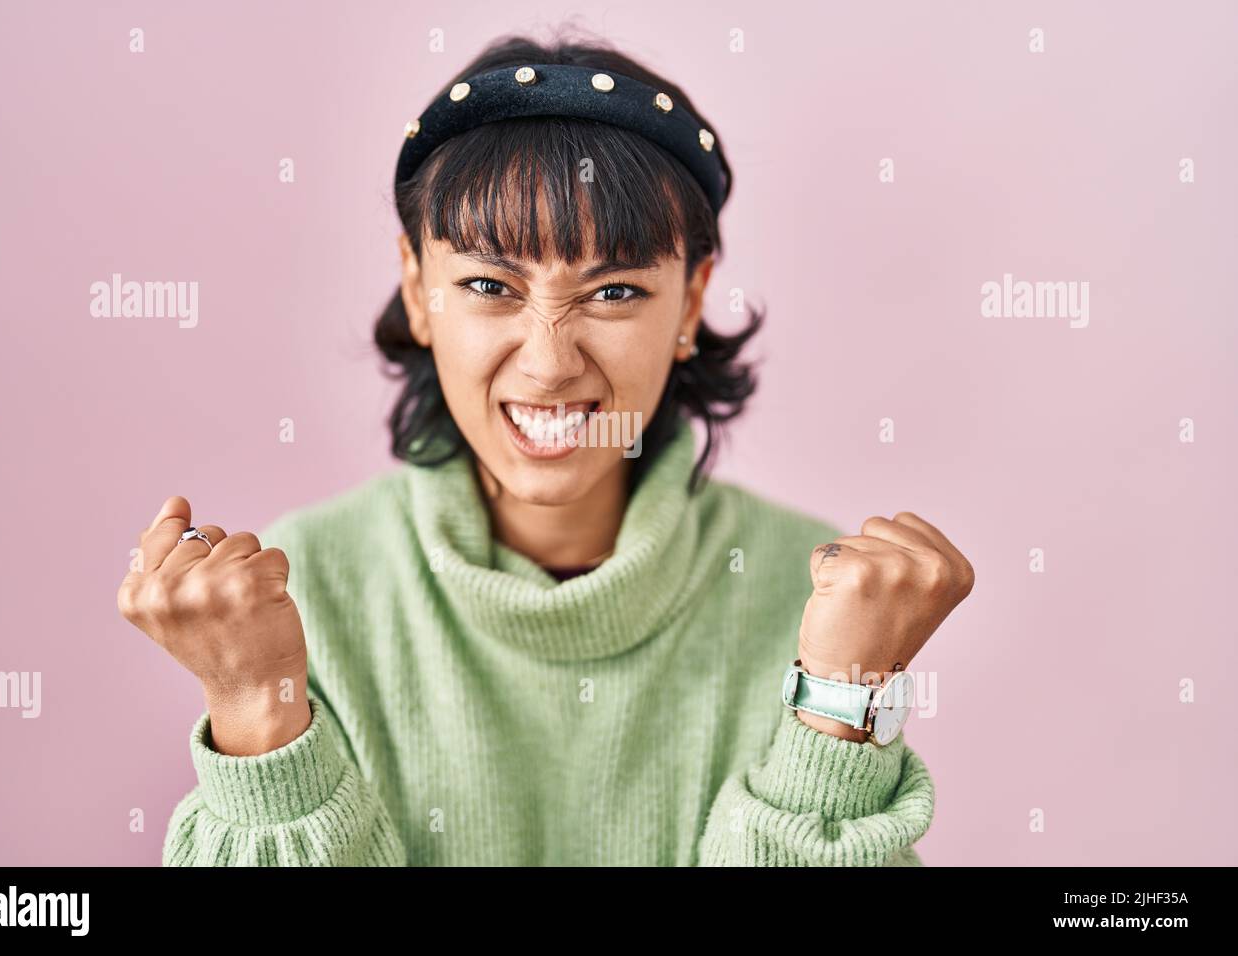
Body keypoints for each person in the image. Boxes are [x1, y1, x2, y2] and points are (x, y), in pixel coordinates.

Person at [117, 32, 973, 866]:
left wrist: (840, 703)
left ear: (689, 303)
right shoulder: (299, 593)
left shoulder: (818, 601)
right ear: (418, 290)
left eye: (616, 291)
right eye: (490, 286)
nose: (550, 362)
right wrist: (252, 704)